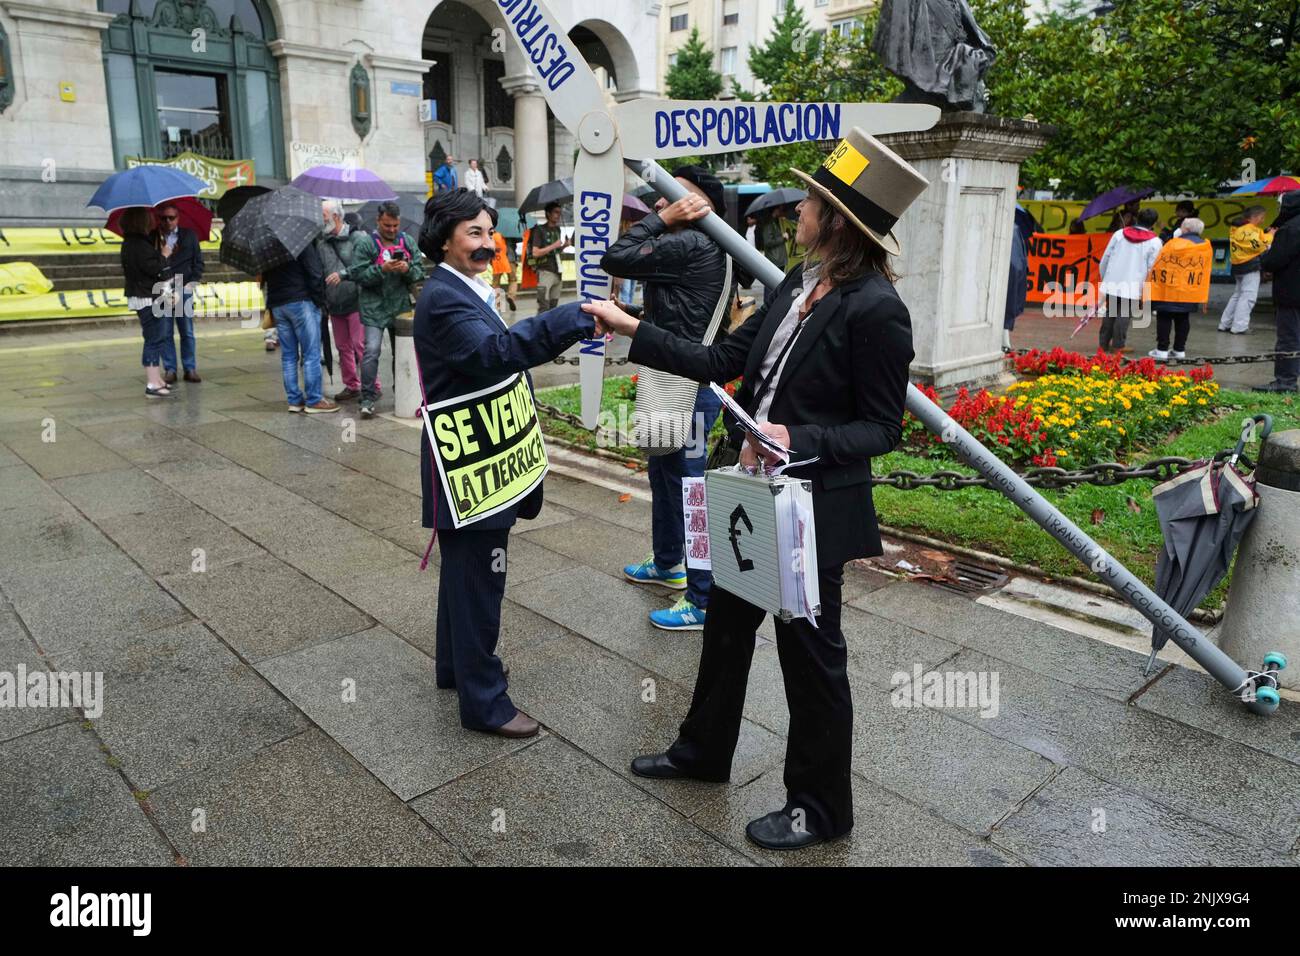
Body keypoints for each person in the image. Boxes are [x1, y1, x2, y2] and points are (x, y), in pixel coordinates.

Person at [582, 128, 926, 851]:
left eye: (811, 200)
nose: (797, 209)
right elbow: (720, 360)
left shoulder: (877, 310)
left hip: (807, 509)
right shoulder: (796, 286)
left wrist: (798, 439)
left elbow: (879, 428)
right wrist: (629, 326)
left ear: (837, 219)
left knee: (812, 660)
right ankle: (702, 753)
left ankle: (821, 808)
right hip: (748, 488)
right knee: (728, 631)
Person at [415, 187, 596, 737]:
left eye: (490, 231)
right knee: (479, 582)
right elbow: (492, 356)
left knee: (464, 575)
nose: (488, 242)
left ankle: (456, 669)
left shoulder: (463, 288)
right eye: (474, 232)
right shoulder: (444, 297)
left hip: (477, 459)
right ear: (443, 241)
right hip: (469, 466)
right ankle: (486, 702)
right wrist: (574, 317)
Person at [602, 165, 730, 631]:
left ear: (702, 206)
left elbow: (615, 257)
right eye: (662, 196)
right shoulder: (707, 244)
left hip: (687, 388)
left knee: (690, 490)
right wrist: (632, 313)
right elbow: (681, 311)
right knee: (666, 476)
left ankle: (701, 599)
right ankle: (668, 562)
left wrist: (664, 219)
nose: (661, 203)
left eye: (676, 196)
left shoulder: (693, 240)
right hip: (685, 381)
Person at [352, 200, 425, 418]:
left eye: (395, 225)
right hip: (373, 307)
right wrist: (381, 269)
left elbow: (420, 272)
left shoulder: (407, 241)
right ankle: (367, 397)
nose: (392, 230)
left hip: (400, 306)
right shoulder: (366, 244)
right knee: (371, 351)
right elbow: (358, 274)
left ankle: (401, 392)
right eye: (387, 226)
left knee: (401, 352)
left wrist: (407, 268)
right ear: (378, 221)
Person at [264, 233, 338, 414]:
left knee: (288, 356)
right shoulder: (300, 240)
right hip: (301, 301)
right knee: (311, 353)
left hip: (278, 304)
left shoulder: (267, 246)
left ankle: (294, 400)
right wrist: (320, 301)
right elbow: (315, 272)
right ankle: (314, 399)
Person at [120, 207, 173, 398]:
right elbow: (156, 270)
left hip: (142, 295)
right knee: (153, 339)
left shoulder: (131, 243)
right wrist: (165, 256)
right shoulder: (139, 246)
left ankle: (157, 379)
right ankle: (152, 383)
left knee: (155, 337)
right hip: (148, 297)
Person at [317, 200, 366, 401]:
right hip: (334, 303)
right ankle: (351, 385)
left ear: (336, 216)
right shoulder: (321, 242)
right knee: (342, 346)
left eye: (324, 216)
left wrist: (344, 274)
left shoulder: (356, 237)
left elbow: (364, 265)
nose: (322, 221)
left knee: (359, 345)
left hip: (356, 300)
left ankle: (372, 385)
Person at [151, 203, 204, 384]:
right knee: (165, 331)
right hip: (162, 286)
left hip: (183, 285)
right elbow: (149, 264)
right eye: (164, 218)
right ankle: (170, 369)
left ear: (177, 218)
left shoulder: (189, 236)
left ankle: (190, 368)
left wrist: (191, 285)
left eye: (171, 218)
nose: (168, 221)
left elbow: (199, 262)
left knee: (186, 331)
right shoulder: (153, 238)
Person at [1097, 207, 1161, 352]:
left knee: (1110, 312)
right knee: (1123, 314)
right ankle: (1118, 345)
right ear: (1153, 223)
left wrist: (1105, 278)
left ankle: (1103, 343)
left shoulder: (1119, 234)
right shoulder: (1155, 242)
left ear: (1137, 218)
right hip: (1134, 284)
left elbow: (1105, 258)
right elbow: (1152, 268)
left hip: (1113, 280)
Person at [1147, 218, 1212, 361]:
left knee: (1164, 317)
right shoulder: (1205, 246)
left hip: (1169, 289)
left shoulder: (1173, 244)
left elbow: (1160, 264)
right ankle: (1179, 350)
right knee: (1183, 318)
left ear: (1186, 229)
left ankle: (1162, 349)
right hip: (1190, 289)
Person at [1255, 192, 1300, 393]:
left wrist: (1266, 253)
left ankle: (1285, 381)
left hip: (1292, 291)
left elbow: (1274, 261)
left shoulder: (1291, 228)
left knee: (1289, 336)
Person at [1219, 205, 1274, 334]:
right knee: (1248, 296)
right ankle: (1239, 327)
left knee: (1237, 295)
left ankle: (1225, 323)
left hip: (1238, 265)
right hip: (1250, 265)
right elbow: (1258, 245)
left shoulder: (1236, 229)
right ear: (1255, 217)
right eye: (1262, 217)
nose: (1263, 220)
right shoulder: (1249, 230)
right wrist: (1271, 235)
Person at [528, 201, 566, 315]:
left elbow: (555, 251)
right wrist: (554, 245)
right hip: (545, 271)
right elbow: (535, 252)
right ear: (548, 214)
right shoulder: (539, 230)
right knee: (543, 306)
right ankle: (539, 331)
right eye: (556, 212)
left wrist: (564, 246)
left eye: (560, 212)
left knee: (554, 307)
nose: (558, 215)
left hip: (558, 271)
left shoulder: (558, 230)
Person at [489, 228, 517, 313]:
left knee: (496, 283)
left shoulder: (493, 232)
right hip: (510, 259)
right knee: (513, 280)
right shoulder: (511, 231)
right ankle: (511, 296)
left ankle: (499, 305)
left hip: (497, 259)